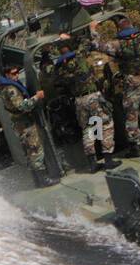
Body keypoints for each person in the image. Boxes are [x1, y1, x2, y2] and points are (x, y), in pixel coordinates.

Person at [93, 15, 140, 155]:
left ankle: (134, 146)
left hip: (132, 80)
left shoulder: (118, 44)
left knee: (131, 113)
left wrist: (93, 31)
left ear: (120, 29)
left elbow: (99, 46)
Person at [51, 34, 120, 171]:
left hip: (79, 100)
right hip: (92, 96)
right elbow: (85, 42)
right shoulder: (79, 55)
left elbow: (57, 84)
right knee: (105, 124)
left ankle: (92, 163)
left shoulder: (59, 67)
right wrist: (74, 36)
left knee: (88, 129)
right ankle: (108, 159)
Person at [0, 64, 56, 186]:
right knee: (35, 151)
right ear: (7, 75)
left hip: (21, 123)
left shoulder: (6, 87)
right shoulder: (11, 89)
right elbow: (22, 106)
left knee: (31, 151)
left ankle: (38, 180)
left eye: (17, 72)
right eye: (13, 73)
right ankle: (43, 180)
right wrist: (37, 97)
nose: (16, 75)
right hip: (24, 123)